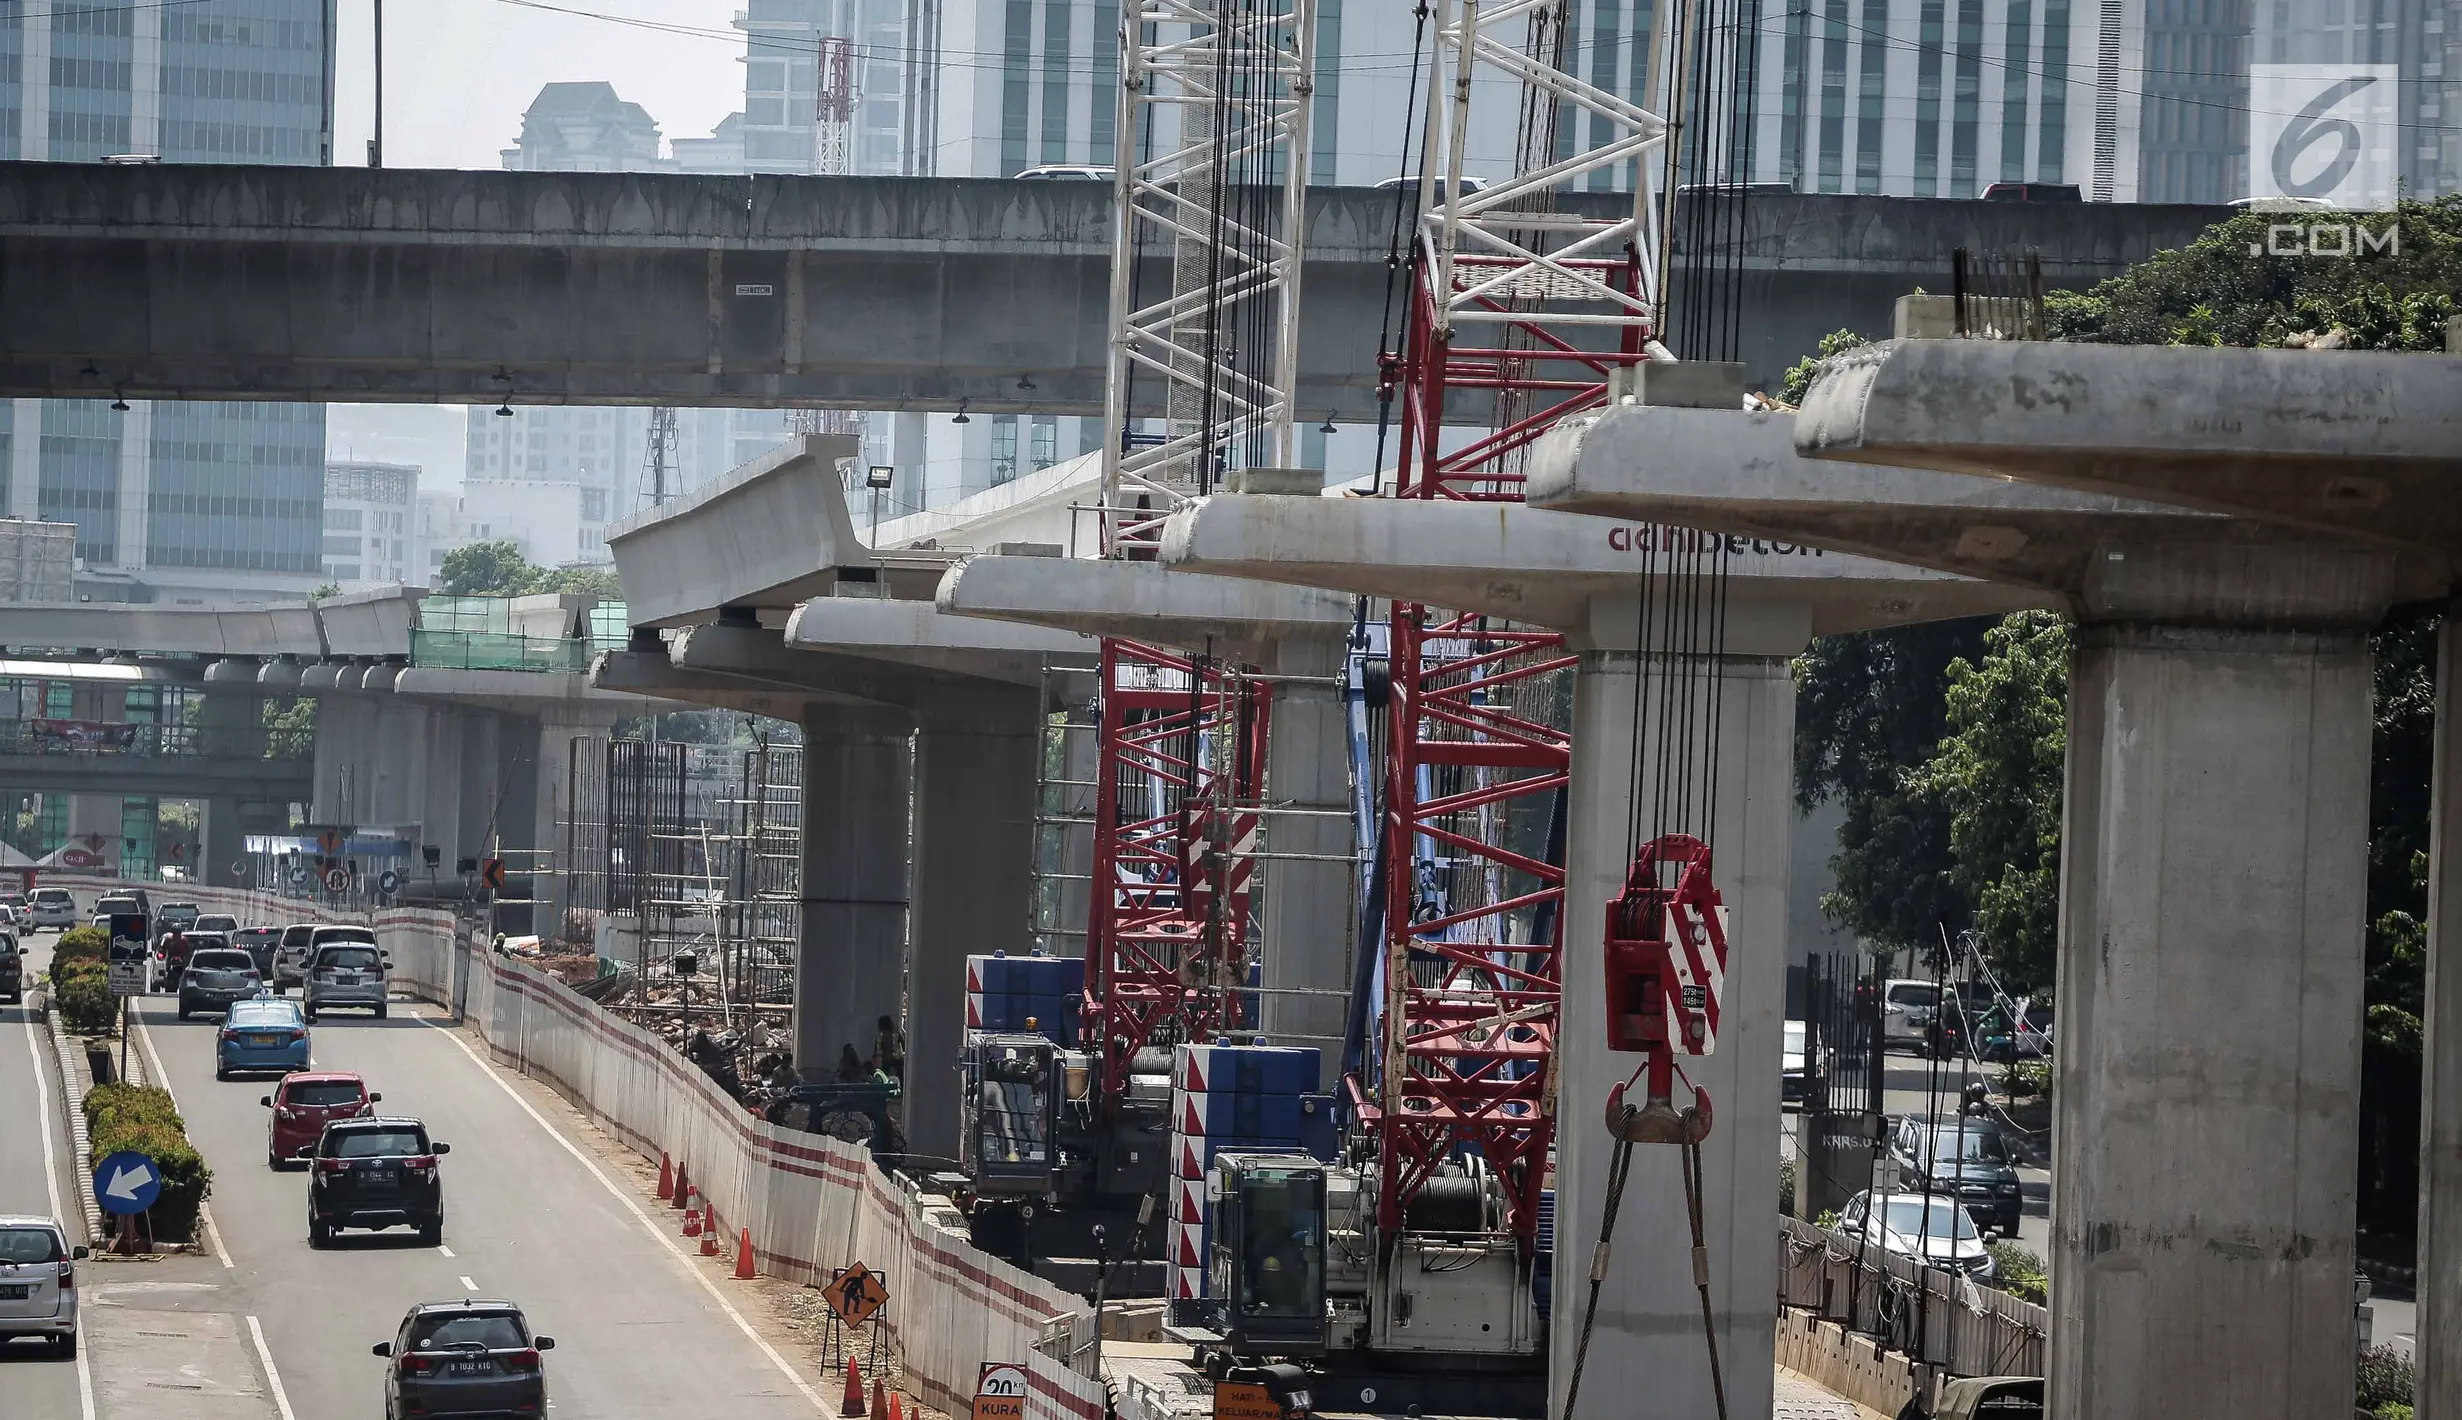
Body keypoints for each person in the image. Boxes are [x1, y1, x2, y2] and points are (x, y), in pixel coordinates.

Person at [873, 1014, 906, 1079]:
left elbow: (876, 1047)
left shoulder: (880, 1035)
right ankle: (902, 1087)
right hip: (896, 1057)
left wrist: (875, 1056)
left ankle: (884, 1087)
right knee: (901, 1075)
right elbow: (903, 1043)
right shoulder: (896, 1033)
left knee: (883, 1075)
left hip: (885, 1058)